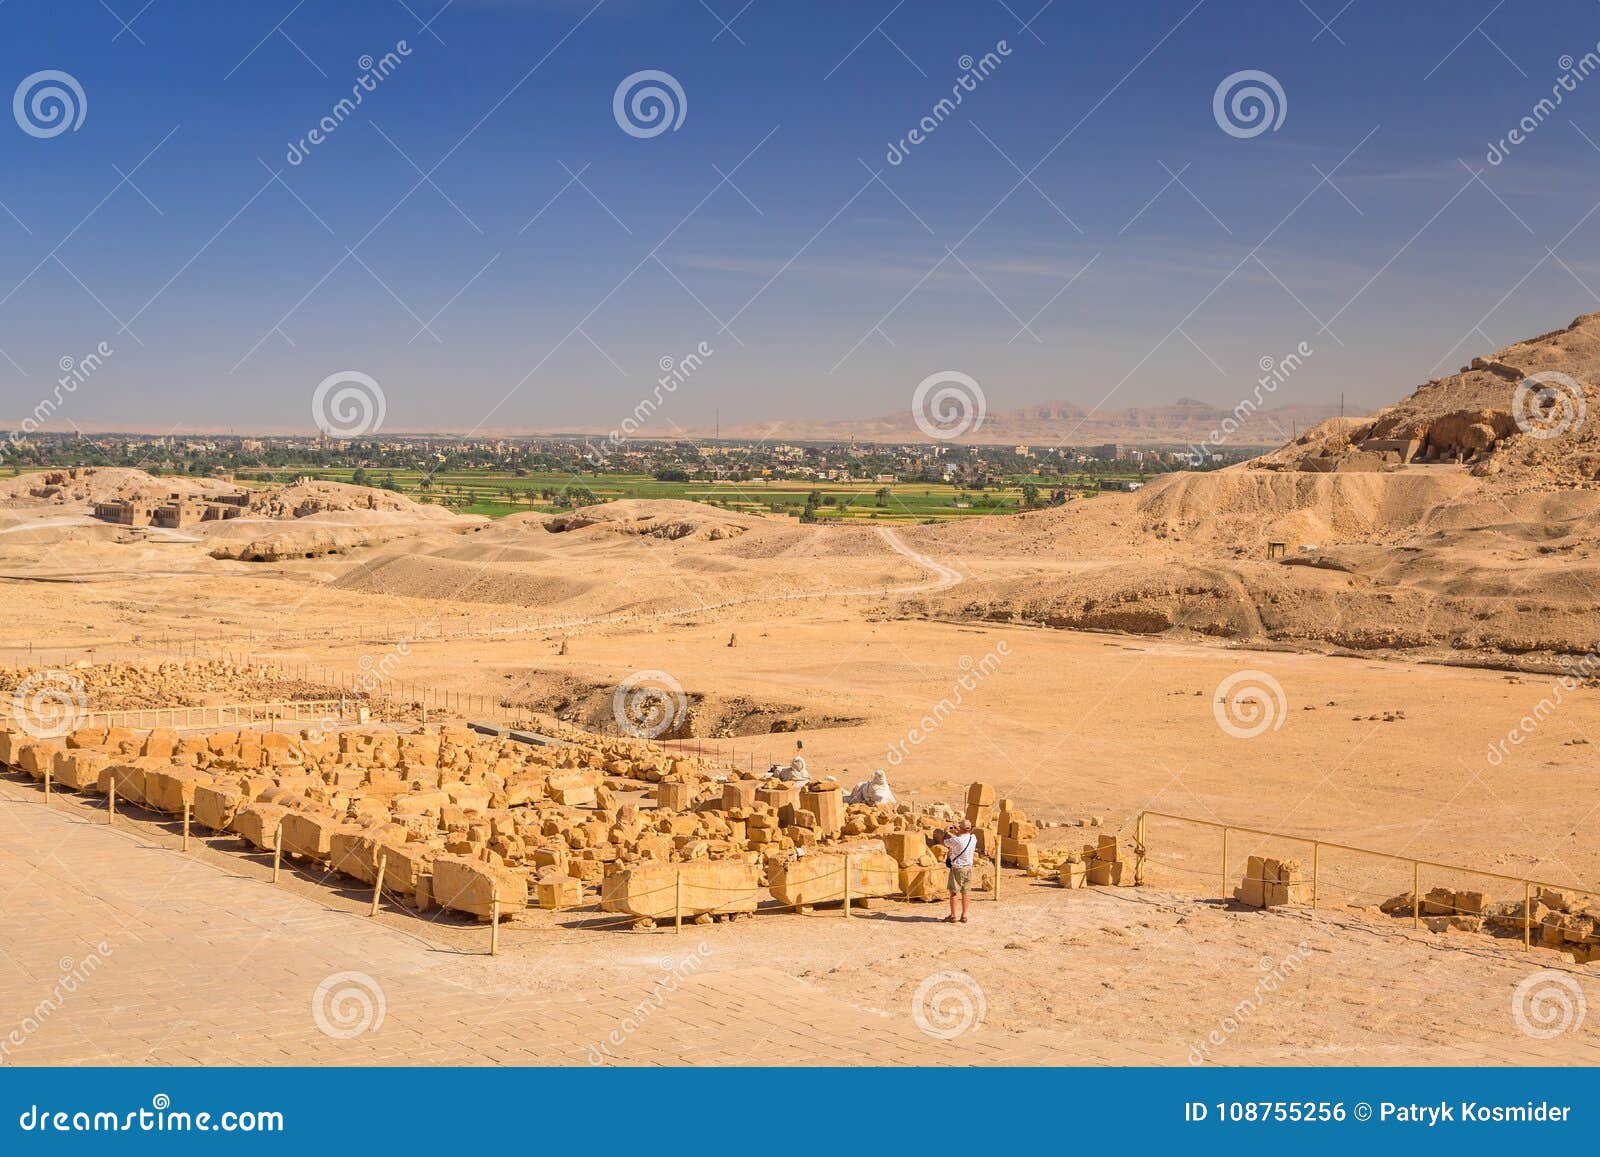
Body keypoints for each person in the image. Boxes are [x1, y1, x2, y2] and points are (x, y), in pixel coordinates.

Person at [942, 821, 977, 924]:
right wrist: (959, 830)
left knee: (953, 892)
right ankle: (964, 915)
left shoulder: (957, 840)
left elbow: (943, 842)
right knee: (965, 892)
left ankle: (953, 915)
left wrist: (946, 832)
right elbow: (965, 835)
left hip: (957, 868)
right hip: (968, 868)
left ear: (960, 828)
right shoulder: (973, 838)